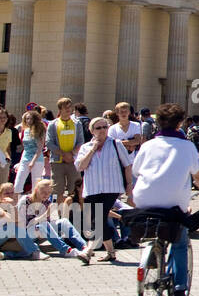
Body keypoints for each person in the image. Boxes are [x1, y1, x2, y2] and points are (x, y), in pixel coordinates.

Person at [128, 103, 199, 296]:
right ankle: (179, 292)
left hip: (144, 199)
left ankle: (152, 254)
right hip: (173, 203)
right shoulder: (186, 146)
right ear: (180, 123)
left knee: (154, 226)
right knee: (180, 242)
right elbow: (198, 174)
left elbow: (137, 171)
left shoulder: (148, 145)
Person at [75, 116, 134, 262]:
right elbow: (80, 166)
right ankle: (111, 252)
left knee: (99, 218)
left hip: (111, 188)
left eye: (104, 127)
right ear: (92, 131)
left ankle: (88, 251)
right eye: (98, 128)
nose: (102, 130)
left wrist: (129, 185)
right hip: (92, 188)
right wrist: (93, 148)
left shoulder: (115, 143)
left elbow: (127, 165)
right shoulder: (85, 147)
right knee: (96, 220)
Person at [17, 179, 92, 262]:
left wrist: (55, 213)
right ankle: (66, 250)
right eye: (43, 192)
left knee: (64, 222)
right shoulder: (25, 201)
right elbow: (23, 225)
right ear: (36, 189)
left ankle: (85, 248)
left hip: (41, 231)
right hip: (26, 234)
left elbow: (53, 222)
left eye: (49, 192)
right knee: (44, 224)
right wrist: (46, 214)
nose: (46, 195)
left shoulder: (47, 202)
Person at [45, 98, 87, 201]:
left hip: (73, 161)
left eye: (69, 106)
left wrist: (72, 154)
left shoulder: (77, 123)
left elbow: (81, 142)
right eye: (65, 107)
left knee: (75, 189)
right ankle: (56, 215)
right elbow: (49, 143)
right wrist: (64, 154)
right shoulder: (53, 124)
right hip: (57, 161)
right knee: (57, 189)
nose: (68, 109)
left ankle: (74, 214)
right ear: (60, 109)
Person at [12, 110, 45, 197]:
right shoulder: (25, 130)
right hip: (25, 157)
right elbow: (25, 147)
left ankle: (35, 206)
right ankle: (17, 204)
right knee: (18, 183)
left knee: (36, 185)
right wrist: (21, 161)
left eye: (30, 119)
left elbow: (40, 148)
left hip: (37, 160)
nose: (28, 121)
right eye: (27, 119)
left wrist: (33, 161)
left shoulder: (39, 130)